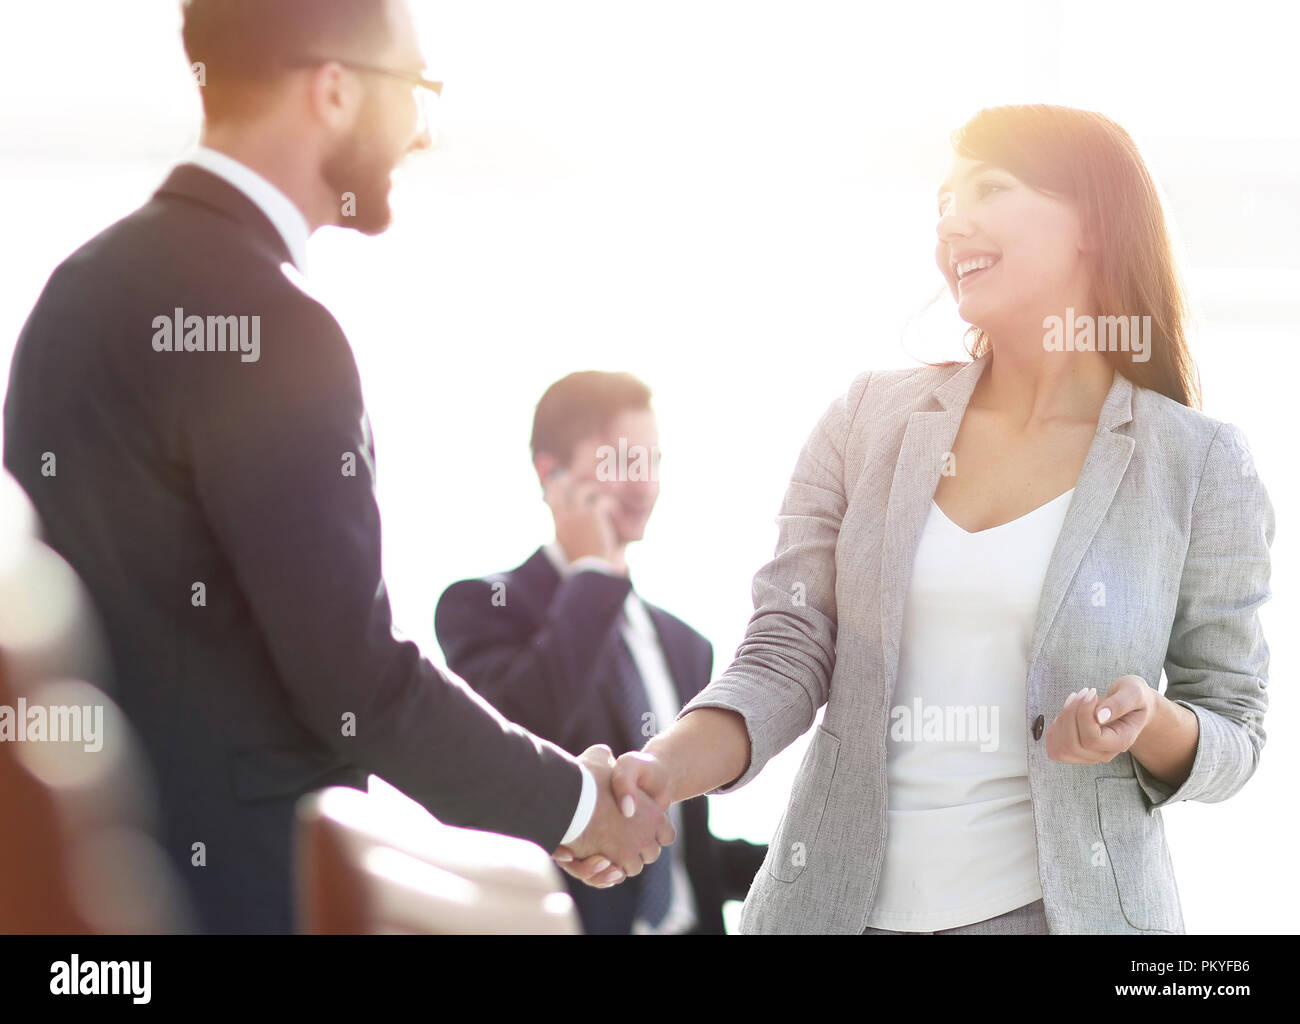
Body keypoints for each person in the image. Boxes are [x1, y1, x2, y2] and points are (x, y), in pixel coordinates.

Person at [2, 0, 669, 934]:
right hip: (243, 900)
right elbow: (355, 683)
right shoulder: (277, 326)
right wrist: (579, 804)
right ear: (334, 89)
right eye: (414, 93)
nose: (421, 134)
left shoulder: (74, 293)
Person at [560, 104, 1275, 934]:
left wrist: (1148, 724)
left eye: (989, 189)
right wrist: (654, 772)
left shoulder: (1198, 463)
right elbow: (783, 657)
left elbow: (1233, 724)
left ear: (1092, 222)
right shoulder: (867, 419)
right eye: (942, 202)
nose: (951, 223)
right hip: (832, 910)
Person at [435, 371, 767, 933]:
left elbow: (681, 837)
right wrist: (594, 574)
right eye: (622, 462)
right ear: (551, 473)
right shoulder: (480, 606)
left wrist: (805, 858)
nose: (643, 485)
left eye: (653, 462)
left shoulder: (686, 644)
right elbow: (518, 736)